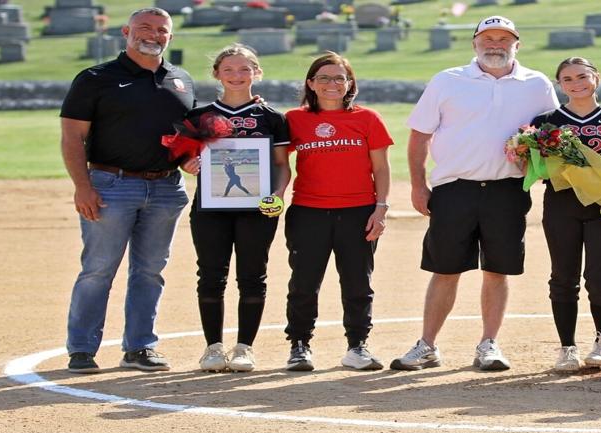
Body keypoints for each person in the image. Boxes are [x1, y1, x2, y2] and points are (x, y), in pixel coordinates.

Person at [395, 15, 560, 372]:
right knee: (444, 269)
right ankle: (428, 345)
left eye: (504, 39)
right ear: (474, 44)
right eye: (488, 38)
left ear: (517, 44)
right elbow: (419, 135)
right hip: (454, 189)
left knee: (496, 271)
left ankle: (488, 344)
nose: (495, 44)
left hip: (508, 190)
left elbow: (550, 137)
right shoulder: (447, 80)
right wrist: (418, 184)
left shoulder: (537, 83)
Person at [58, 7, 195, 373]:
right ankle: (82, 349)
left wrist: (190, 162)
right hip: (110, 186)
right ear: (126, 31)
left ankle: (140, 347)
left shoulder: (181, 80)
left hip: (166, 189)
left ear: (171, 36)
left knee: (150, 271)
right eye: (144, 28)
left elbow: (186, 141)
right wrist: (81, 187)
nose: (152, 34)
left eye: (161, 29)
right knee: (98, 270)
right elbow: (72, 136)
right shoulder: (95, 78)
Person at [528, 57, 601, 372]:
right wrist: (524, 153)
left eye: (582, 76)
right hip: (561, 204)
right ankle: (567, 347)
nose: (576, 83)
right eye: (567, 79)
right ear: (560, 84)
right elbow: (533, 167)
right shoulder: (546, 121)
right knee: (563, 278)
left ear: (597, 78)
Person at [281, 52, 393, 371]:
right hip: (308, 212)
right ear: (311, 83)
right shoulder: (294, 119)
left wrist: (381, 209)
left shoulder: (367, 118)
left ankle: (357, 346)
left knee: (358, 282)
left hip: (359, 212)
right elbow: (275, 161)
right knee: (304, 282)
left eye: (339, 78)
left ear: (350, 84)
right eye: (324, 78)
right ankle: (300, 345)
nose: (332, 84)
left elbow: (381, 169)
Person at [183, 43, 289, 373]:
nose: (237, 76)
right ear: (216, 74)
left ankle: (244, 348)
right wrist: (190, 164)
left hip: (257, 209)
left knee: (252, 276)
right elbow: (185, 159)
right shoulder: (200, 116)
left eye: (245, 69)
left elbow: (283, 166)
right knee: (211, 276)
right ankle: (213, 347)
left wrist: (279, 194)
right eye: (228, 69)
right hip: (210, 209)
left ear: (257, 73)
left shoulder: (271, 118)